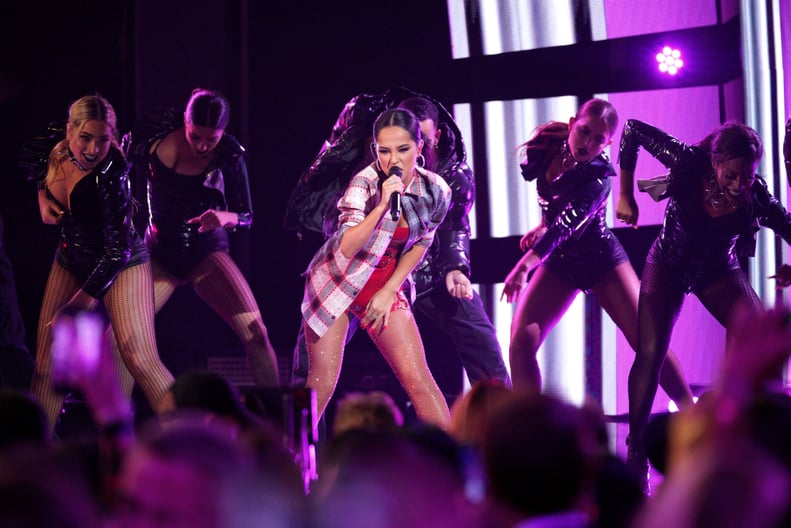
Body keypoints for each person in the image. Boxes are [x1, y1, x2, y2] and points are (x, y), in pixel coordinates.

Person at [285, 87, 510, 395]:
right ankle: (300, 438)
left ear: (431, 140)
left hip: (422, 269)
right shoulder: (367, 165)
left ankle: (507, 429)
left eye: (422, 145)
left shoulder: (451, 177)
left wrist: (456, 267)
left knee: (479, 338)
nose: (406, 158)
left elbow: (452, 225)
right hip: (362, 271)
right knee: (312, 363)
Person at [615, 118, 791, 487]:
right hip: (668, 264)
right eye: (731, 175)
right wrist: (626, 194)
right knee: (651, 352)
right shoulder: (688, 162)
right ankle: (636, 451)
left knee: (759, 336)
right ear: (715, 163)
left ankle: (741, 436)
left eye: (746, 176)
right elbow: (631, 130)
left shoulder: (754, 195)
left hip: (717, 272)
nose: (738, 185)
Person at [500, 99, 692, 409]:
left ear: (609, 142)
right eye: (584, 132)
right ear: (573, 122)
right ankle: (533, 429)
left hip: (602, 260)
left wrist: (524, 267)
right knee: (520, 345)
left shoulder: (599, 178)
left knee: (648, 343)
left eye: (598, 139)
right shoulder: (548, 147)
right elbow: (553, 203)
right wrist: (541, 224)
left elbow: (566, 225)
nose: (587, 144)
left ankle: (692, 413)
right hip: (562, 261)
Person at [21, 94, 174, 433]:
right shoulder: (55, 146)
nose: (92, 149)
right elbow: (30, 158)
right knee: (46, 364)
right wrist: (43, 198)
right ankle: (36, 455)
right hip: (72, 255)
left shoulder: (110, 179)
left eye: (103, 140)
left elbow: (116, 252)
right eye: (85, 138)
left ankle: (196, 446)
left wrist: (78, 306)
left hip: (122, 262)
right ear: (68, 131)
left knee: (140, 359)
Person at [301, 107, 452, 430]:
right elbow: (346, 246)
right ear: (375, 150)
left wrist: (389, 290)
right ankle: (289, 467)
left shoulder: (437, 190)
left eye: (403, 149)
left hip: (382, 283)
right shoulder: (364, 185)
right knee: (321, 383)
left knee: (418, 379)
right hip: (337, 282)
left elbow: (422, 242)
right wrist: (383, 206)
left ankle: (453, 467)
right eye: (384, 151)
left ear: (420, 148)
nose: (393, 160)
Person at [122, 88, 279, 387]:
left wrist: (226, 217)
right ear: (185, 121)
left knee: (257, 333)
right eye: (196, 136)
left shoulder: (231, 156)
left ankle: (277, 422)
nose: (203, 146)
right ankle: (117, 429)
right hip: (160, 250)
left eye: (212, 139)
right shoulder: (153, 138)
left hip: (205, 251)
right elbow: (119, 167)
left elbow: (247, 216)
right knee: (122, 338)